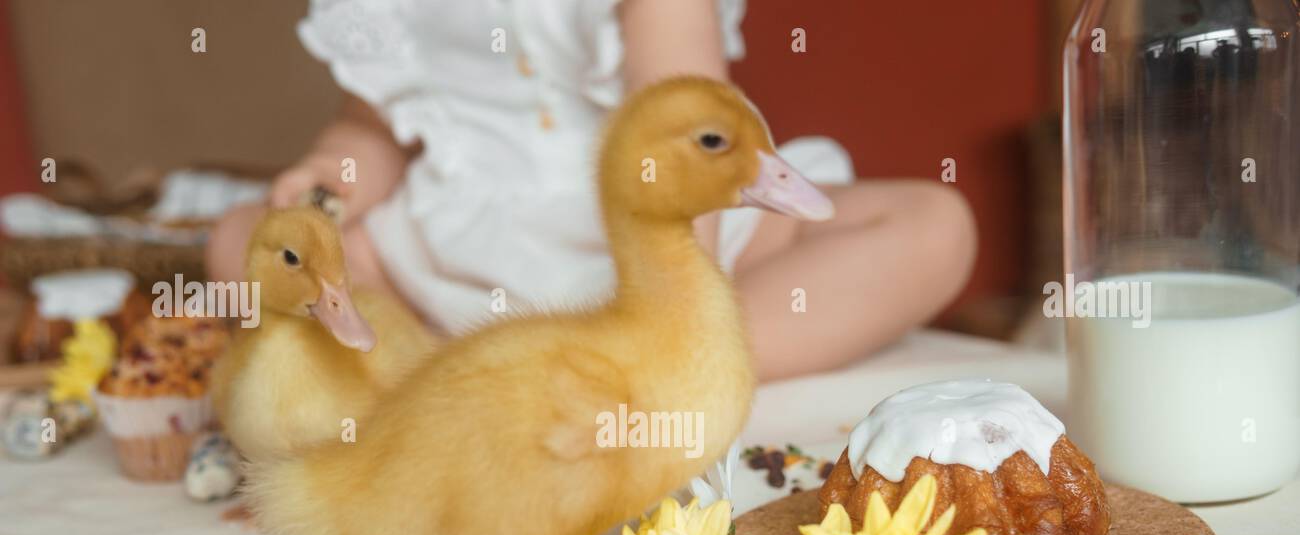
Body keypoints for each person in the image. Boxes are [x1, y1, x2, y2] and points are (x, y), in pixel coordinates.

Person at [205, 0, 976, 381]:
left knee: (935, 225)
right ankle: (440, 368)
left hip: (647, 228)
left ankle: (683, 354)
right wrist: (326, 184)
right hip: (457, 248)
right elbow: (370, 133)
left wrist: (680, 295)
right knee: (237, 239)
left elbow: (686, 120)